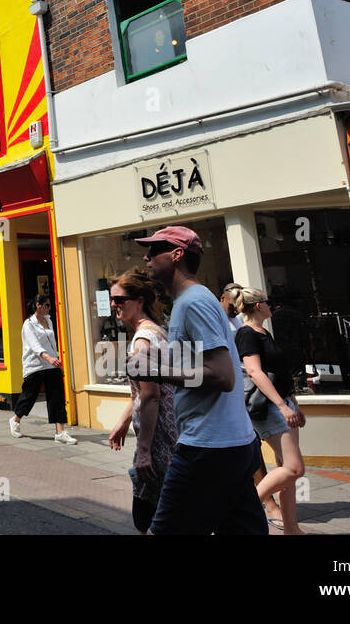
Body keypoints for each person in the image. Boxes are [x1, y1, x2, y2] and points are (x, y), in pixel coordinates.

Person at [129, 225, 265, 535]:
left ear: (177, 255)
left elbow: (222, 376)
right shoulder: (189, 302)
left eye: (154, 250)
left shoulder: (194, 303)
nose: (146, 256)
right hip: (231, 444)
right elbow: (199, 368)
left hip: (208, 447)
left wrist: (153, 371)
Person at [107, 268, 178, 533]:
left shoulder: (142, 340)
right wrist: (123, 422)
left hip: (158, 437)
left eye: (120, 299)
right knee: (165, 509)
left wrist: (145, 449)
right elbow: (142, 391)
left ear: (140, 300)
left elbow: (150, 395)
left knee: (147, 518)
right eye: (112, 299)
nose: (114, 305)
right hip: (169, 431)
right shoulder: (157, 332)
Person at [234, 287, 308, 535]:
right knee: (295, 468)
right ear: (258, 306)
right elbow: (255, 372)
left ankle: (292, 528)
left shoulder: (263, 332)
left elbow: (280, 373)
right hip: (270, 407)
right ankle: (237, 511)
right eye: (267, 302)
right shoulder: (246, 334)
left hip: (283, 402)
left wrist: (293, 403)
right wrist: (282, 405)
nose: (271, 306)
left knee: (286, 470)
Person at [9, 293, 76, 445]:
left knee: (57, 397)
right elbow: (34, 346)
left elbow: (52, 342)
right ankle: (15, 420)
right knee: (29, 396)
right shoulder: (28, 324)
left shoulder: (48, 320)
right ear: (38, 305)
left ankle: (60, 432)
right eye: (47, 305)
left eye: (50, 305)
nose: (49, 308)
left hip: (51, 364)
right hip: (35, 365)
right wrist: (48, 358)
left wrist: (55, 357)